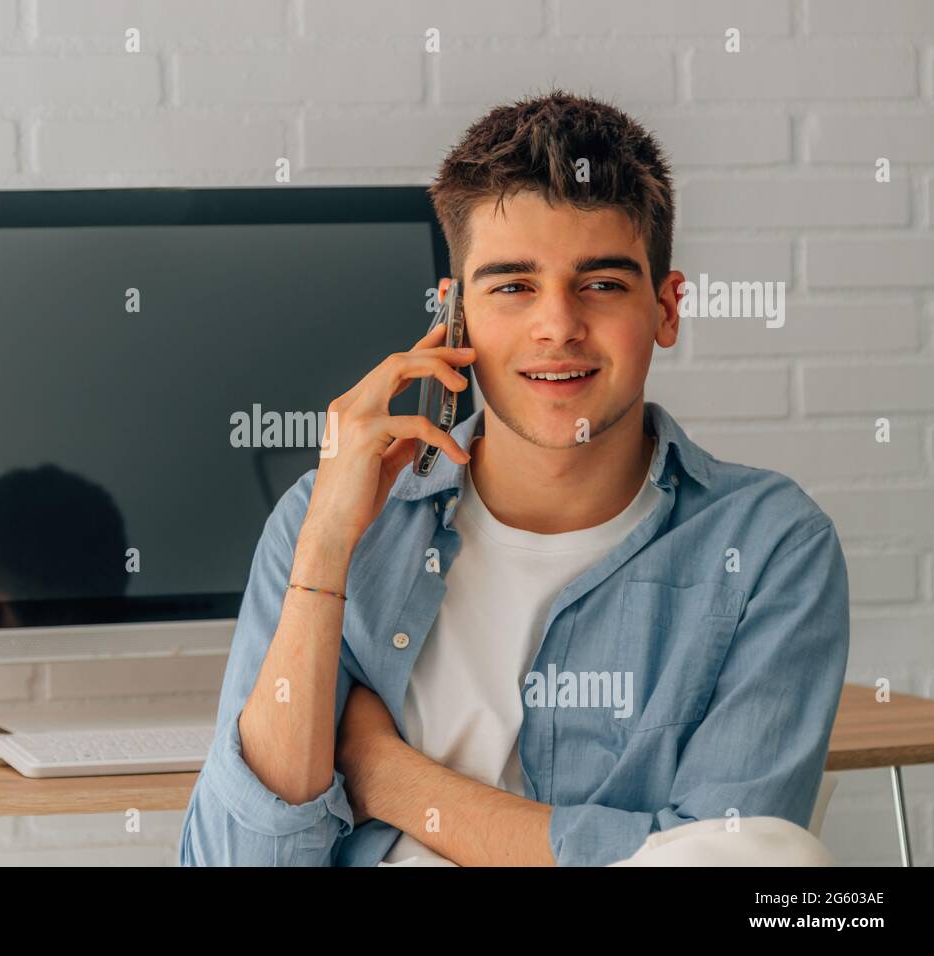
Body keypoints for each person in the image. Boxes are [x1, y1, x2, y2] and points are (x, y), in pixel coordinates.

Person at [178, 89, 848, 867]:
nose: (557, 324)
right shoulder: (325, 518)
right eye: (512, 286)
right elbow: (237, 861)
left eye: (601, 283)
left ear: (666, 308)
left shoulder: (770, 545)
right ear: (453, 313)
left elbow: (739, 862)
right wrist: (326, 545)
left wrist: (384, 774)